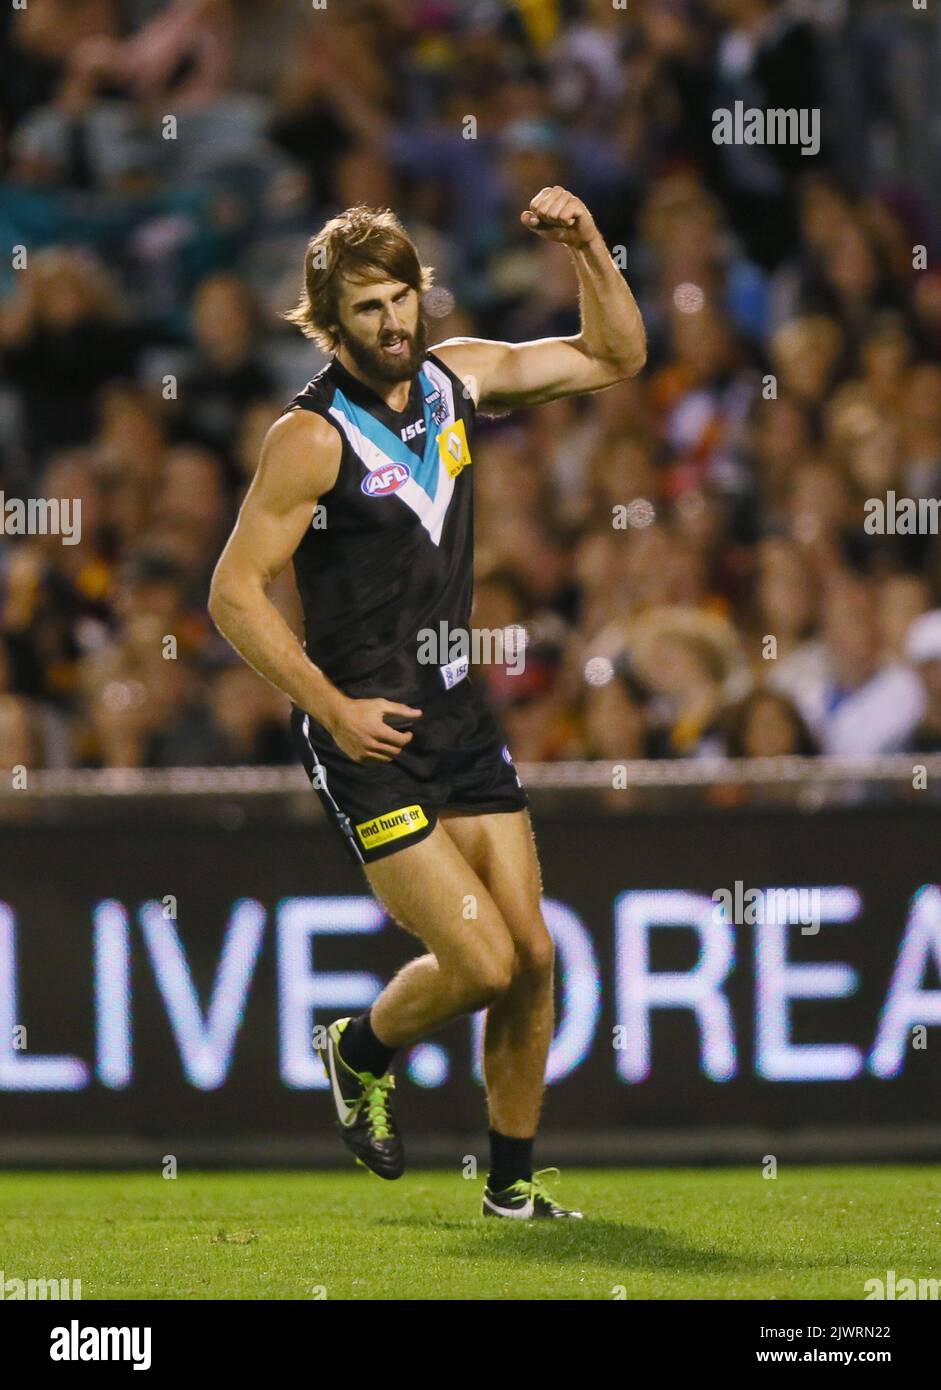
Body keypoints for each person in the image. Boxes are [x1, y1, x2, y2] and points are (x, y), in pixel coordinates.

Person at [209, 188, 646, 1219]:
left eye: (402, 297)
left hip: (455, 716)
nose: (393, 322)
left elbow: (612, 356)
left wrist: (586, 244)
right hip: (363, 735)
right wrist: (328, 705)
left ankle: (508, 1189)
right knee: (484, 958)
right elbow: (231, 592)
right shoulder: (308, 438)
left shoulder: (458, 380)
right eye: (366, 308)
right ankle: (357, 1050)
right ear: (330, 319)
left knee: (532, 955)